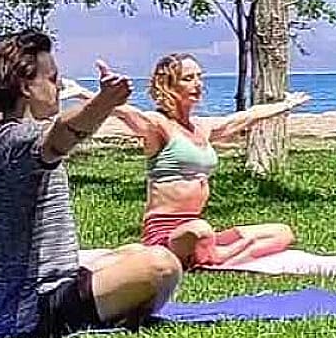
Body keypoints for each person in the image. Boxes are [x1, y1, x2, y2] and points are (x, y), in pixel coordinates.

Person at [0, 31, 182, 338]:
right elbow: (63, 133)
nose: (59, 86)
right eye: (52, 77)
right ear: (25, 86)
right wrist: (104, 102)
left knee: (137, 252)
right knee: (160, 266)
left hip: (50, 289)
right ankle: (111, 320)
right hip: (31, 313)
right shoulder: (14, 141)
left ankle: (113, 312)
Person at [67, 53, 309, 269]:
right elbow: (126, 112)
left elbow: (246, 117)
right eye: (188, 78)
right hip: (166, 235)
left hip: (194, 228)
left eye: (199, 77)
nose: (198, 84)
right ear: (169, 85)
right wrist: (85, 93)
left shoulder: (202, 127)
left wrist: (285, 105)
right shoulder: (157, 125)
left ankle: (214, 257)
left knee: (282, 232)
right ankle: (216, 256)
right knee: (201, 230)